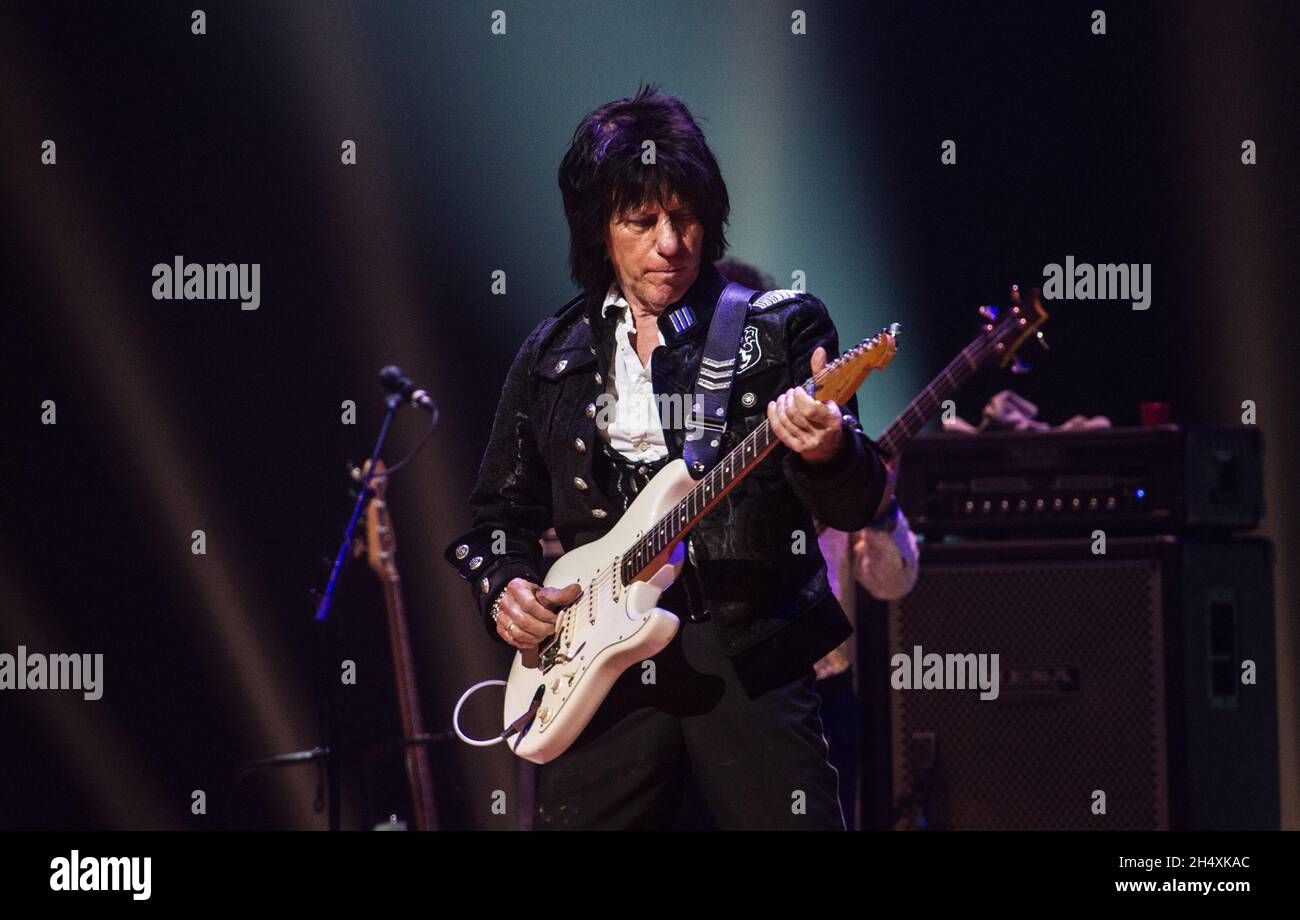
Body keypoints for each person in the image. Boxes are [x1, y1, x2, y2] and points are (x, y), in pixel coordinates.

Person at [443, 84, 894, 830]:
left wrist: (831, 452)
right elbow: (498, 514)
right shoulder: (550, 355)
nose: (670, 244)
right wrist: (505, 587)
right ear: (599, 231)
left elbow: (856, 505)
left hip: (750, 654)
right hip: (598, 671)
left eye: (684, 217)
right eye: (641, 220)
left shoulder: (780, 331)